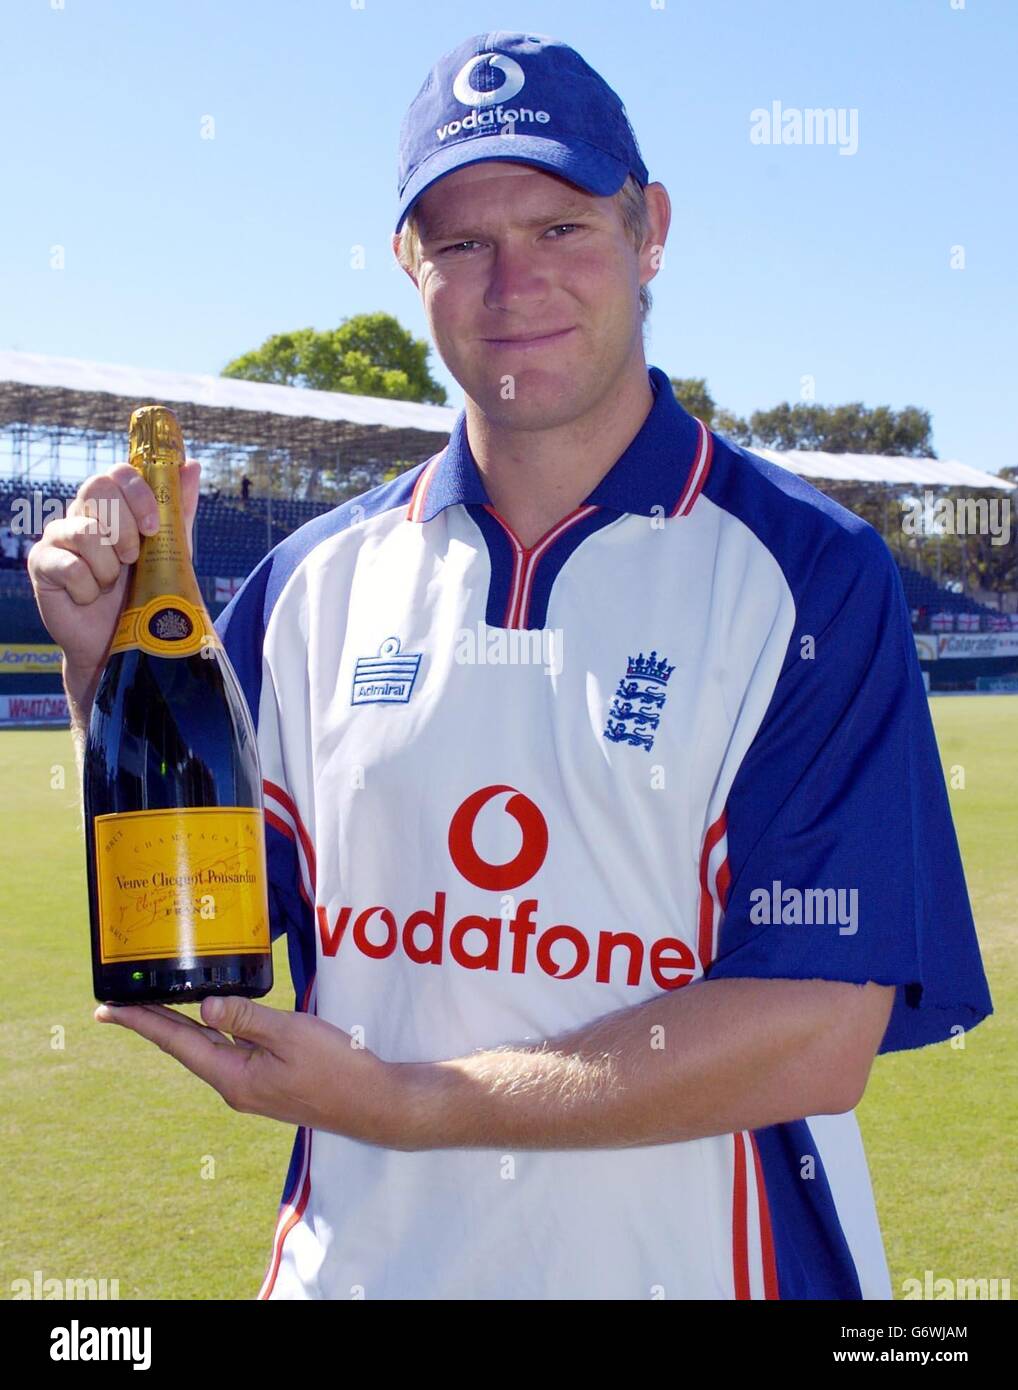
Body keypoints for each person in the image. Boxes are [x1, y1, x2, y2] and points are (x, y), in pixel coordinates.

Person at [29, 31, 991, 1301]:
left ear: (650, 229)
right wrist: (103, 674)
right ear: (407, 265)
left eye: (560, 228)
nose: (511, 285)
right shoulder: (312, 582)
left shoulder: (808, 575)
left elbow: (814, 1030)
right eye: (464, 243)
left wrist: (412, 1103)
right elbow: (208, 896)